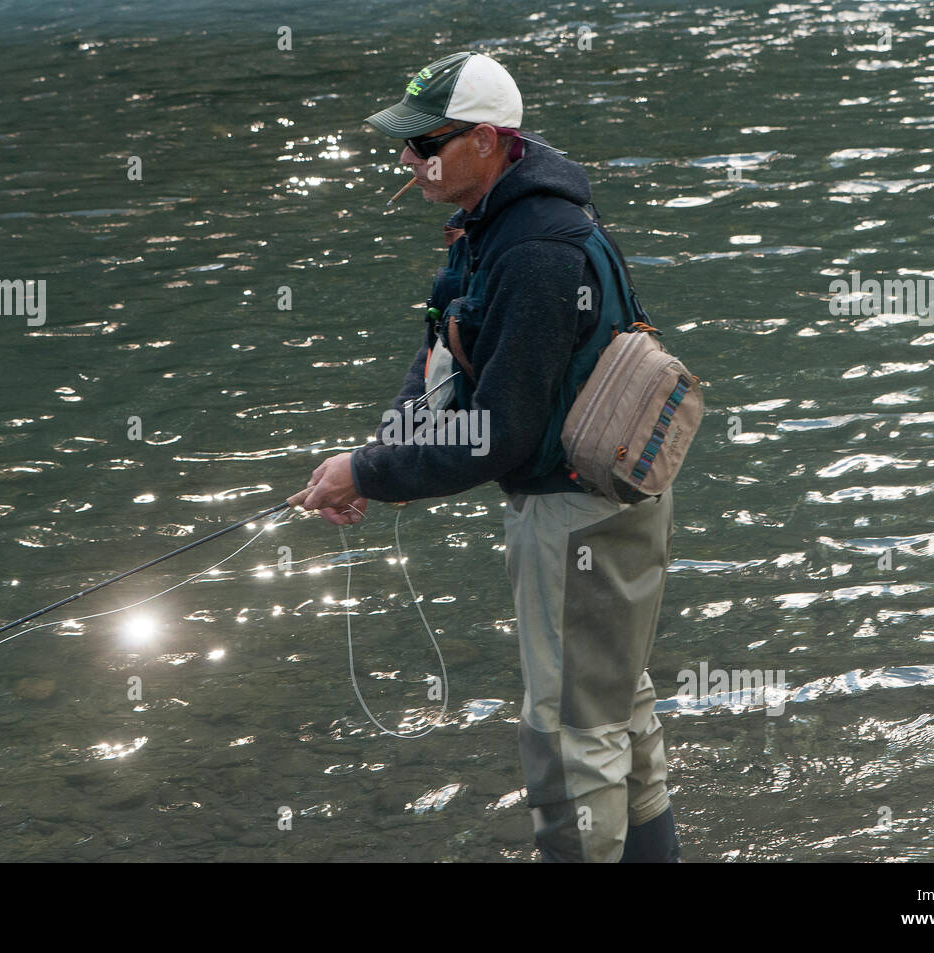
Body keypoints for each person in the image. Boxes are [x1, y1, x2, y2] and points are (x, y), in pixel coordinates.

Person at [291, 51, 680, 863]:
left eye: (427, 142)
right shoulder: (495, 220)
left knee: (570, 733)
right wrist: (376, 459)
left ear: (492, 140)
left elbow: (497, 432)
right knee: (616, 707)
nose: (410, 159)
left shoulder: (536, 251)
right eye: (406, 144)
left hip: (577, 519)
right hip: (607, 502)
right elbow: (442, 346)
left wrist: (368, 473)